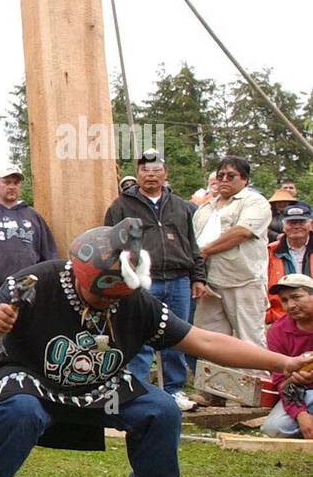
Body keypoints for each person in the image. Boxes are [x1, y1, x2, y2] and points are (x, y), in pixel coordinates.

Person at [0, 219, 313, 477]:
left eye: (115, 299)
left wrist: (281, 363)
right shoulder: (40, 279)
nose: (108, 304)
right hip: (30, 375)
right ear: (81, 274)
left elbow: (203, 340)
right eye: (101, 298)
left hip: (101, 385)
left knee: (160, 409)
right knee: (22, 409)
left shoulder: (135, 302)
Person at [103, 148, 206, 411]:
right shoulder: (121, 206)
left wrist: (198, 277)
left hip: (179, 278)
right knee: (138, 335)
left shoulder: (182, 207)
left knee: (178, 335)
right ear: (137, 174)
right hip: (141, 281)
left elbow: (192, 245)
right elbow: (110, 243)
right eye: (145, 170)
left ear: (165, 173)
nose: (151, 175)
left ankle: (174, 390)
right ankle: (137, 390)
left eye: (156, 170)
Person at [192, 157, 270, 349]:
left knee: (250, 340)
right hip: (209, 283)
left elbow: (242, 232)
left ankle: (257, 379)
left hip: (243, 281)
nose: (224, 180)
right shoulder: (204, 208)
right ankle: (216, 380)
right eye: (220, 176)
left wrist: (205, 251)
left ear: (245, 179)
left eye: (231, 175)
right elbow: (192, 241)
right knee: (210, 343)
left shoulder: (255, 202)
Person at [0, 163, 58, 305]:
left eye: (16, 182)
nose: (12, 186)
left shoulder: (33, 216)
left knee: (29, 328)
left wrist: (52, 282)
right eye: (6, 182)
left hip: (28, 287)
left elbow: (49, 253)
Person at [260, 274, 313, 439]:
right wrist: (300, 414)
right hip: (302, 393)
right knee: (274, 429)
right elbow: (281, 384)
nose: (290, 305)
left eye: (296, 297)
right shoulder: (277, 331)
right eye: (284, 300)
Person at [266, 202, 311, 323]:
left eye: (301, 222)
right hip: (280, 316)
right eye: (291, 222)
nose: (296, 226)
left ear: (311, 224)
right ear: (283, 226)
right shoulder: (269, 252)